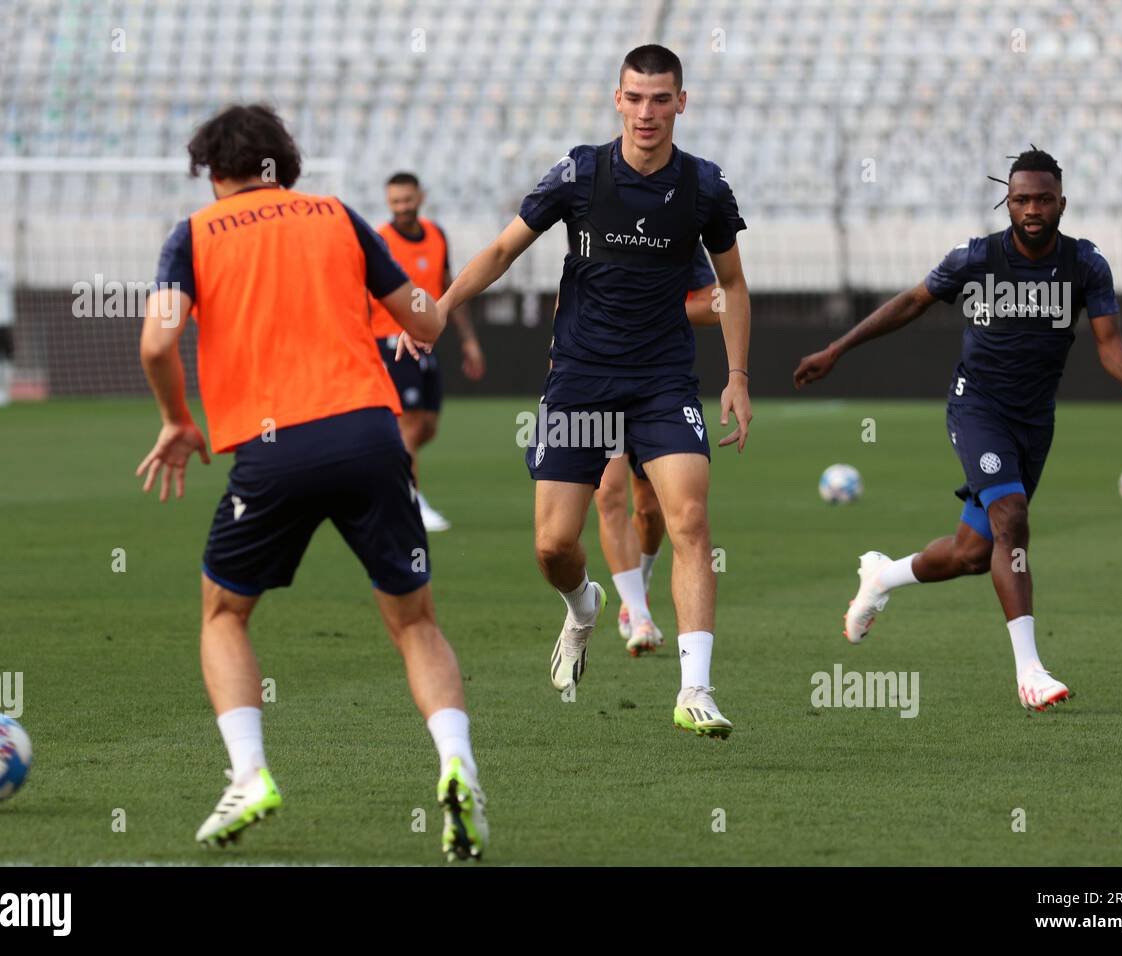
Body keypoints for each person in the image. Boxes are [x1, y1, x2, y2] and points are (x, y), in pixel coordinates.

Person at [136, 103, 487, 858]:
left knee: (224, 614)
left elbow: (158, 342)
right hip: (368, 431)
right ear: (282, 162)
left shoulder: (191, 236)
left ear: (213, 170)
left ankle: (251, 774)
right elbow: (421, 323)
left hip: (273, 450)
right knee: (416, 622)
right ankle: (457, 762)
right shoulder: (340, 216)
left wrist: (177, 419)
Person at [405, 45, 751, 737]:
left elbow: (733, 285)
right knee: (553, 545)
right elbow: (503, 250)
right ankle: (584, 607)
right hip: (579, 381)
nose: (647, 112)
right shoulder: (579, 172)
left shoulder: (705, 186)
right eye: (635, 97)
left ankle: (696, 689)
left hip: (663, 381)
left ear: (681, 102)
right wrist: (439, 309)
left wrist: (737, 375)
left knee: (688, 520)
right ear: (617, 100)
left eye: (661, 99)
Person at [793, 149, 1122, 711]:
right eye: (1020, 200)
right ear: (1006, 202)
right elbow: (912, 301)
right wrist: (837, 349)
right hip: (978, 408)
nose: (1031, 209)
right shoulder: (978, 257)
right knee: (1012, 520)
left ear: (1062, 202)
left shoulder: (1085, 264)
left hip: (1035, 421)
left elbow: (1108, 339)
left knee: (971, 553)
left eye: (1042, 199)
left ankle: (883, 576)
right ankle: (1030, 672)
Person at [598, 246, 720, 657]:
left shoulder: (678, 227)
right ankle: (637, 613)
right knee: (609, 495)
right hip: (597, 381)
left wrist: (657, 310)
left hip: (657, 385)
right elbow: (570, 299)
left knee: (649, 509)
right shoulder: (591, 223)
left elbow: (713, 302)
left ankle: (642, 582)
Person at [367, 171, 486, 531]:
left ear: (420, 197)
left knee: (427, 427)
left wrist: (468, 339)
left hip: (426, 341)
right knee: (409, 425)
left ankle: (383, 476)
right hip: (390, 343)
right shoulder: (380, 240)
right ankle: (409, 501)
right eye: (395, 202)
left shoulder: (436, 235)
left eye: (407, 200)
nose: (401, 207)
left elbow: (446, 286)